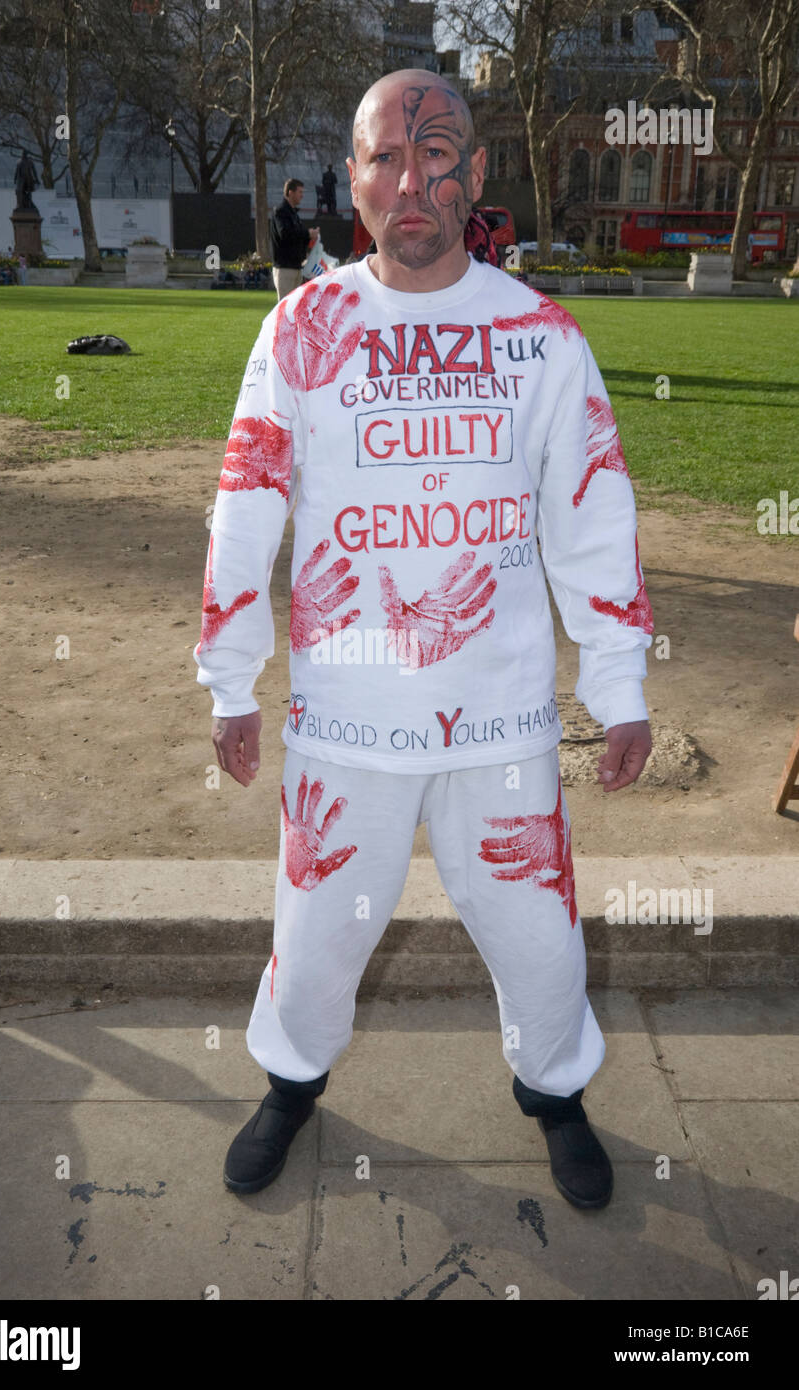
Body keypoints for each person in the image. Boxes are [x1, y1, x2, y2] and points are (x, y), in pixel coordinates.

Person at [195, 68, 654, 1211]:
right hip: (346, 718)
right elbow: (247, 502)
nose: (412, 182)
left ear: (477, 176)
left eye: (437, 154)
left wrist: (620, 681)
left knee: (541, 939)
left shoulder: (539, 340)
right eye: (385, 159)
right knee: (312, 940)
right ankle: (292, 1081)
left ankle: (553, 1090)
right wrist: (229, 676)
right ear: (352, 178)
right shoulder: (305, 327)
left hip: (498, 718)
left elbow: (592, 517)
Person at [269, 178, 317, 301]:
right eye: (300, 192)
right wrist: (307, 233)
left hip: (295, 266)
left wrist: (309, 236)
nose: (302, 196)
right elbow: (285, 234)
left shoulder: (293, 214)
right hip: (285, 267)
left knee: (294, 308)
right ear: (290, 192)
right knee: (285, 309)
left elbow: (296, 238)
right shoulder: (280, 211)